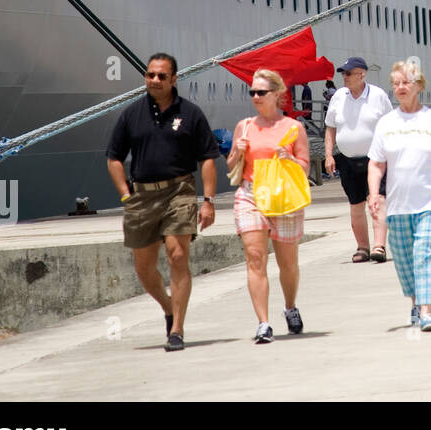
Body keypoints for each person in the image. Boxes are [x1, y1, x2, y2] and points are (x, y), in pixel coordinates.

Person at [105, 52, 220, 352]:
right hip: (141, 196)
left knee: (177, 255)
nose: (154, 80)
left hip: (179, 190)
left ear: (174, 79)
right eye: (150, 75)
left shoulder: (191, 114)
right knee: (143, 268)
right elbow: (114, 157)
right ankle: (169, 307)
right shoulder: (131, 114)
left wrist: (207, 201)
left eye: (161, 76)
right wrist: (125, 195)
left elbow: (208, 158)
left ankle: (177, 329)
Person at [368, 59, 431, 332]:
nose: (400, 87)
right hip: (398, 206)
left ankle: (426, 312)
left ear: (419, 86)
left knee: (427, 254)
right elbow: (376, 163)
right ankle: (415, 303)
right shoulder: (386, 123)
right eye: (396, 83)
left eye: (406, 82)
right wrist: (374, 194)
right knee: (404, 261)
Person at [227, 69, 310, 344]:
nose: (255, 97)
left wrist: (289, 158)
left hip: (284, 196)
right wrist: (237, 151)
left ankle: (290, 306)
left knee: (288, 263)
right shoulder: (245, 125)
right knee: (255, 257)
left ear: (277, 94)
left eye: (261, 92)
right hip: (251, 194)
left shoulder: (293, 127)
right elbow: (230, 165)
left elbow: (305, 166)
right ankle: (263, 323)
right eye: (252, 92)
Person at [323, 57, 393, 262]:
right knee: (356, 204)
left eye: (348, 73)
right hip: (347, 160)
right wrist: (328, 155)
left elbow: (390, 125)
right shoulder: (338, 97)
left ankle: (379, 246)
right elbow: (331, 128)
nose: (344, 77)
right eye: (343, 73)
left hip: (376, 159)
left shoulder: (378, 96)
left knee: (377, 200)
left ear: (362, 74)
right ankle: (362, 247)